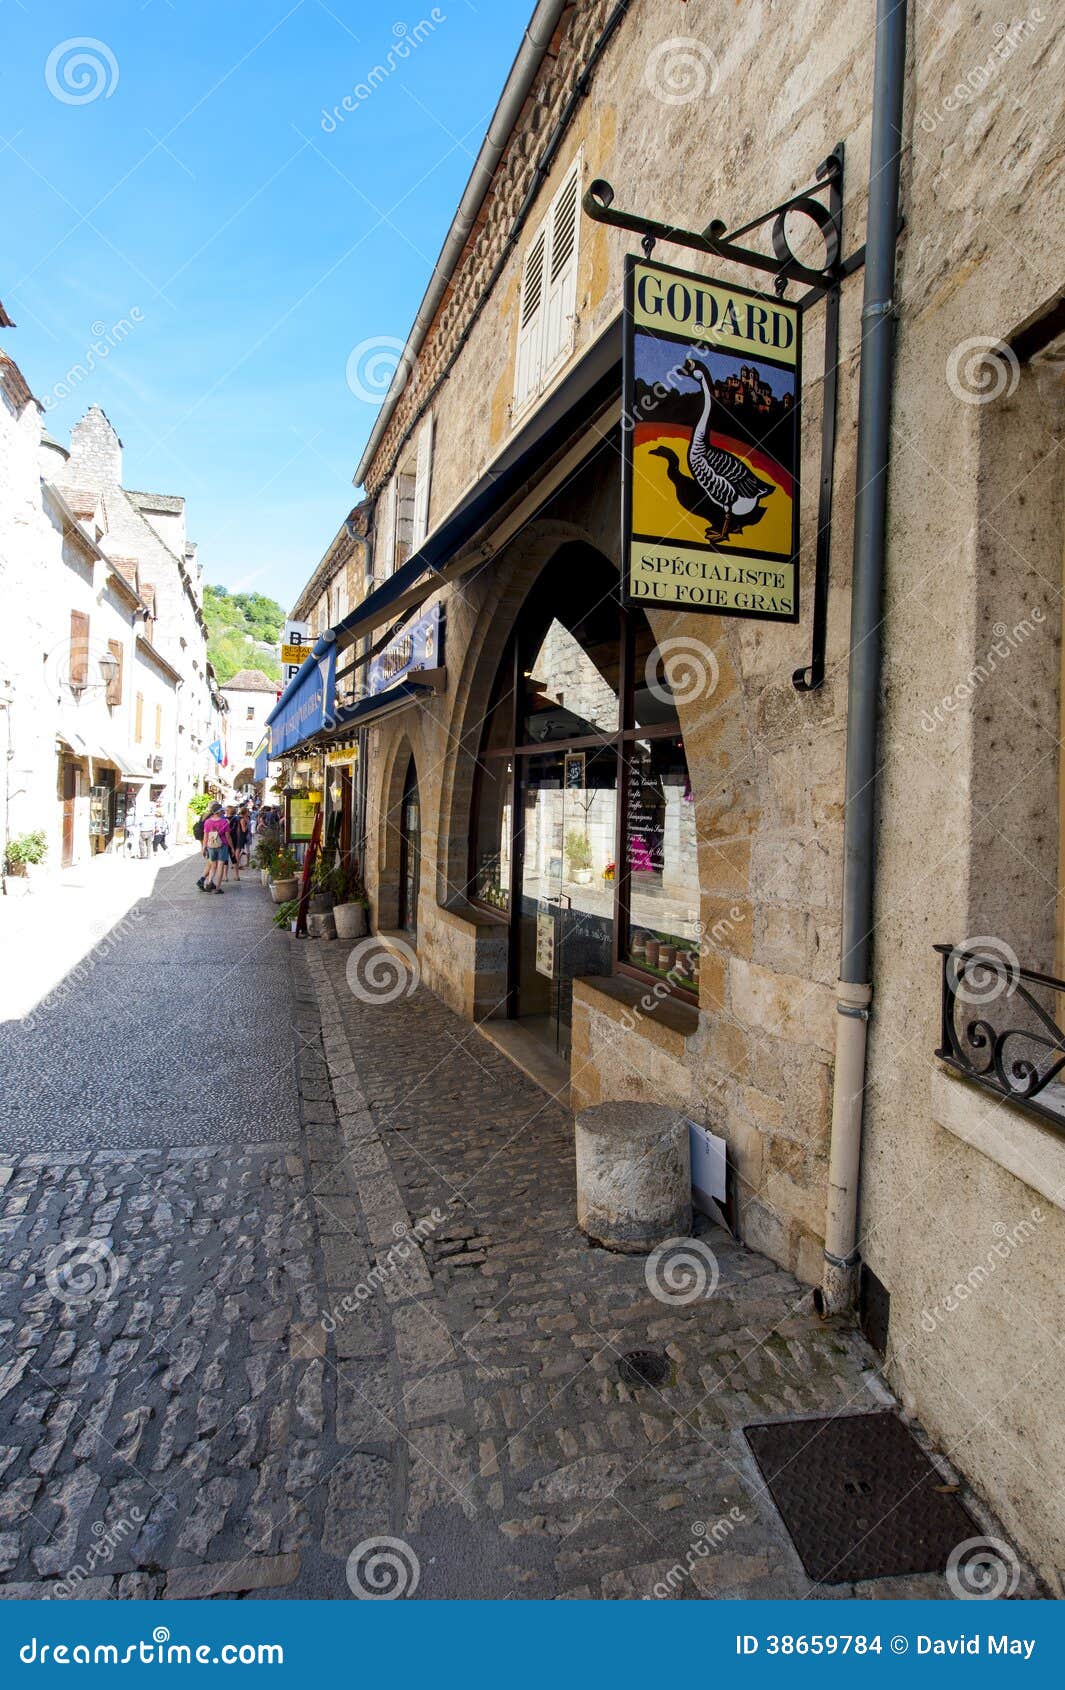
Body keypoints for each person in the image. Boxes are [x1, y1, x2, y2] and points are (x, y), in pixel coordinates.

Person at [197, 803, 229, 894]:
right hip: (222, 845)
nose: (223, 812)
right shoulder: (224, 822)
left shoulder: (207, 822)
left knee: (213, 866)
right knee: (220, 866)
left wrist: (203, 847)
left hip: (211, 845)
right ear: (218, 812)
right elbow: (228, 836)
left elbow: (205, 835)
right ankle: (217, 888)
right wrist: (232, 847)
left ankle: (209, 882)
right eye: (221, 810)